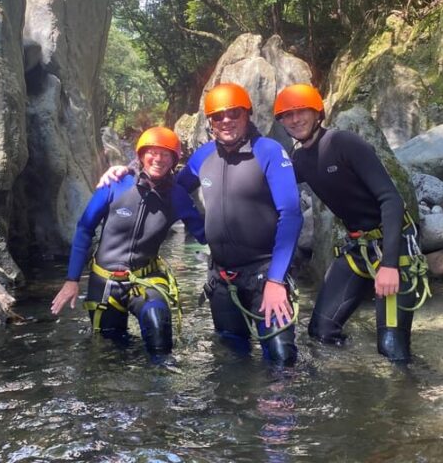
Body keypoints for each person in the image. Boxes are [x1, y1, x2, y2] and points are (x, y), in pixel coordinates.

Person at [102, 84, 303, 364]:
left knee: (282, 359)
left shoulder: (269, 152)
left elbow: (291, 214)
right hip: (222, 278)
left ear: (248, 114)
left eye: (234, 113)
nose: (226, 121)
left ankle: (280, 406)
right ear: (210, 122)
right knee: (229, 358)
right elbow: (167, 187)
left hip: (264, 275)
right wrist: (128, 171)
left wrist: (276, 281)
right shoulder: (204, 155)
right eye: (218, 116)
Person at [273, 84, 429, 363]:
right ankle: (355, 381)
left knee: (392, 349)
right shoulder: (299, 159)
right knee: (321, 332)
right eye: (287, 115)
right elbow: (270, 190)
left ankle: (417, 389)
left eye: (301, 112)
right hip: (358, 247)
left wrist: (390, 266)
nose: (295, 120)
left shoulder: (343, 143)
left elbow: (391, 200)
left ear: (316, 112)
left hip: (396, 245)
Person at [50, 126, 206, 359]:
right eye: (152, 152)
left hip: (146, 279)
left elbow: (205, 234)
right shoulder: (116, 183)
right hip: (105, 281)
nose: (158, 159)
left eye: (166, 154)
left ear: (174, 160)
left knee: (158, 324)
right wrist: (71, 280)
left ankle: (160, 388)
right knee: (110, 353)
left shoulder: (177, 196)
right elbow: (85, 228)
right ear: (141, 155)